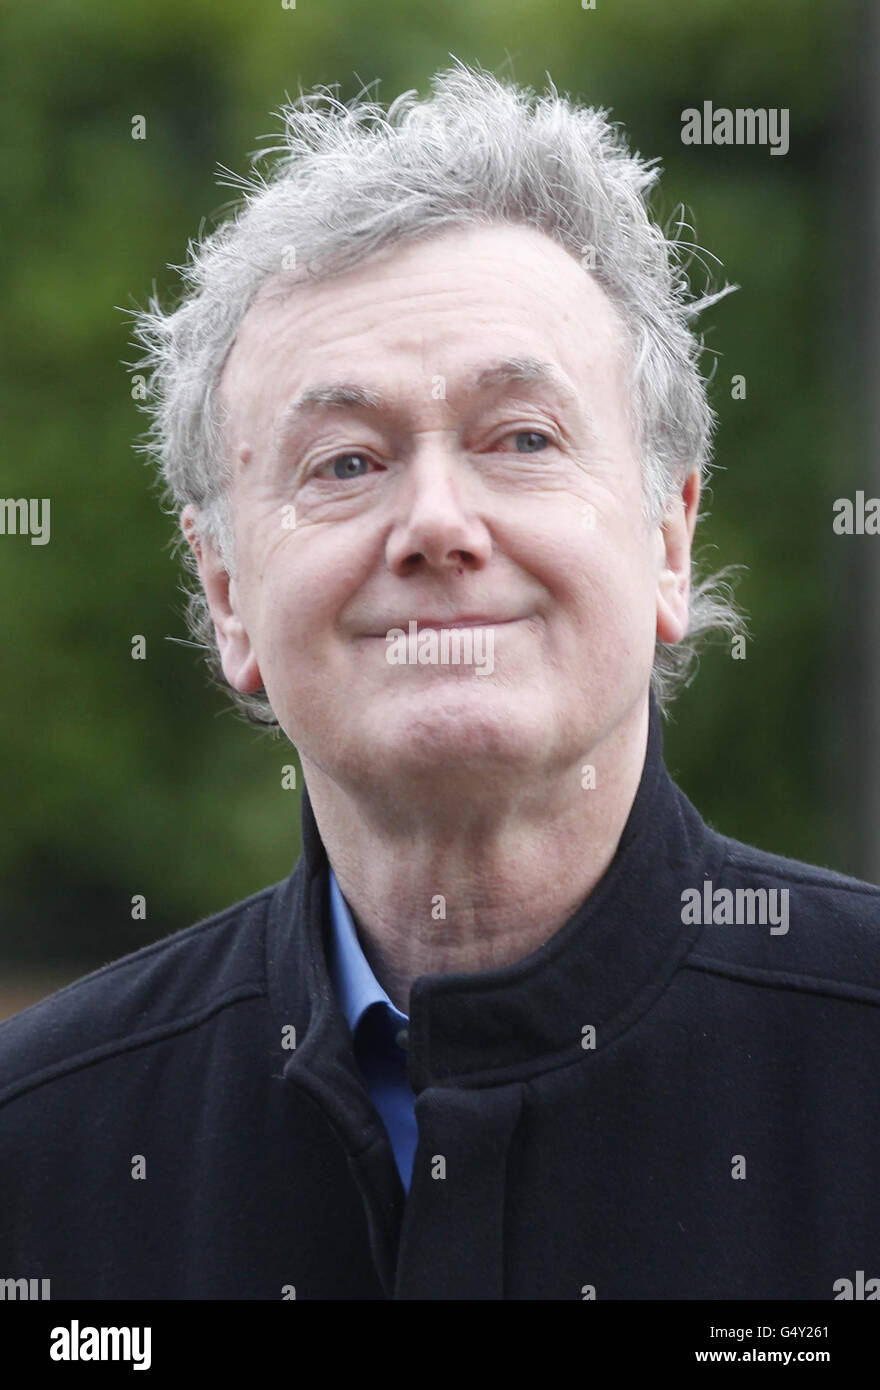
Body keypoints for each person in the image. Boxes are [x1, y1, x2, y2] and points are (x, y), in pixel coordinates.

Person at [2, 63, 879, 1302]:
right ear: (227, 595)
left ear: (668, 541)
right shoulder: (41, 1151)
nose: (435, 522)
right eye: (346, 461)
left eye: (521, 438)